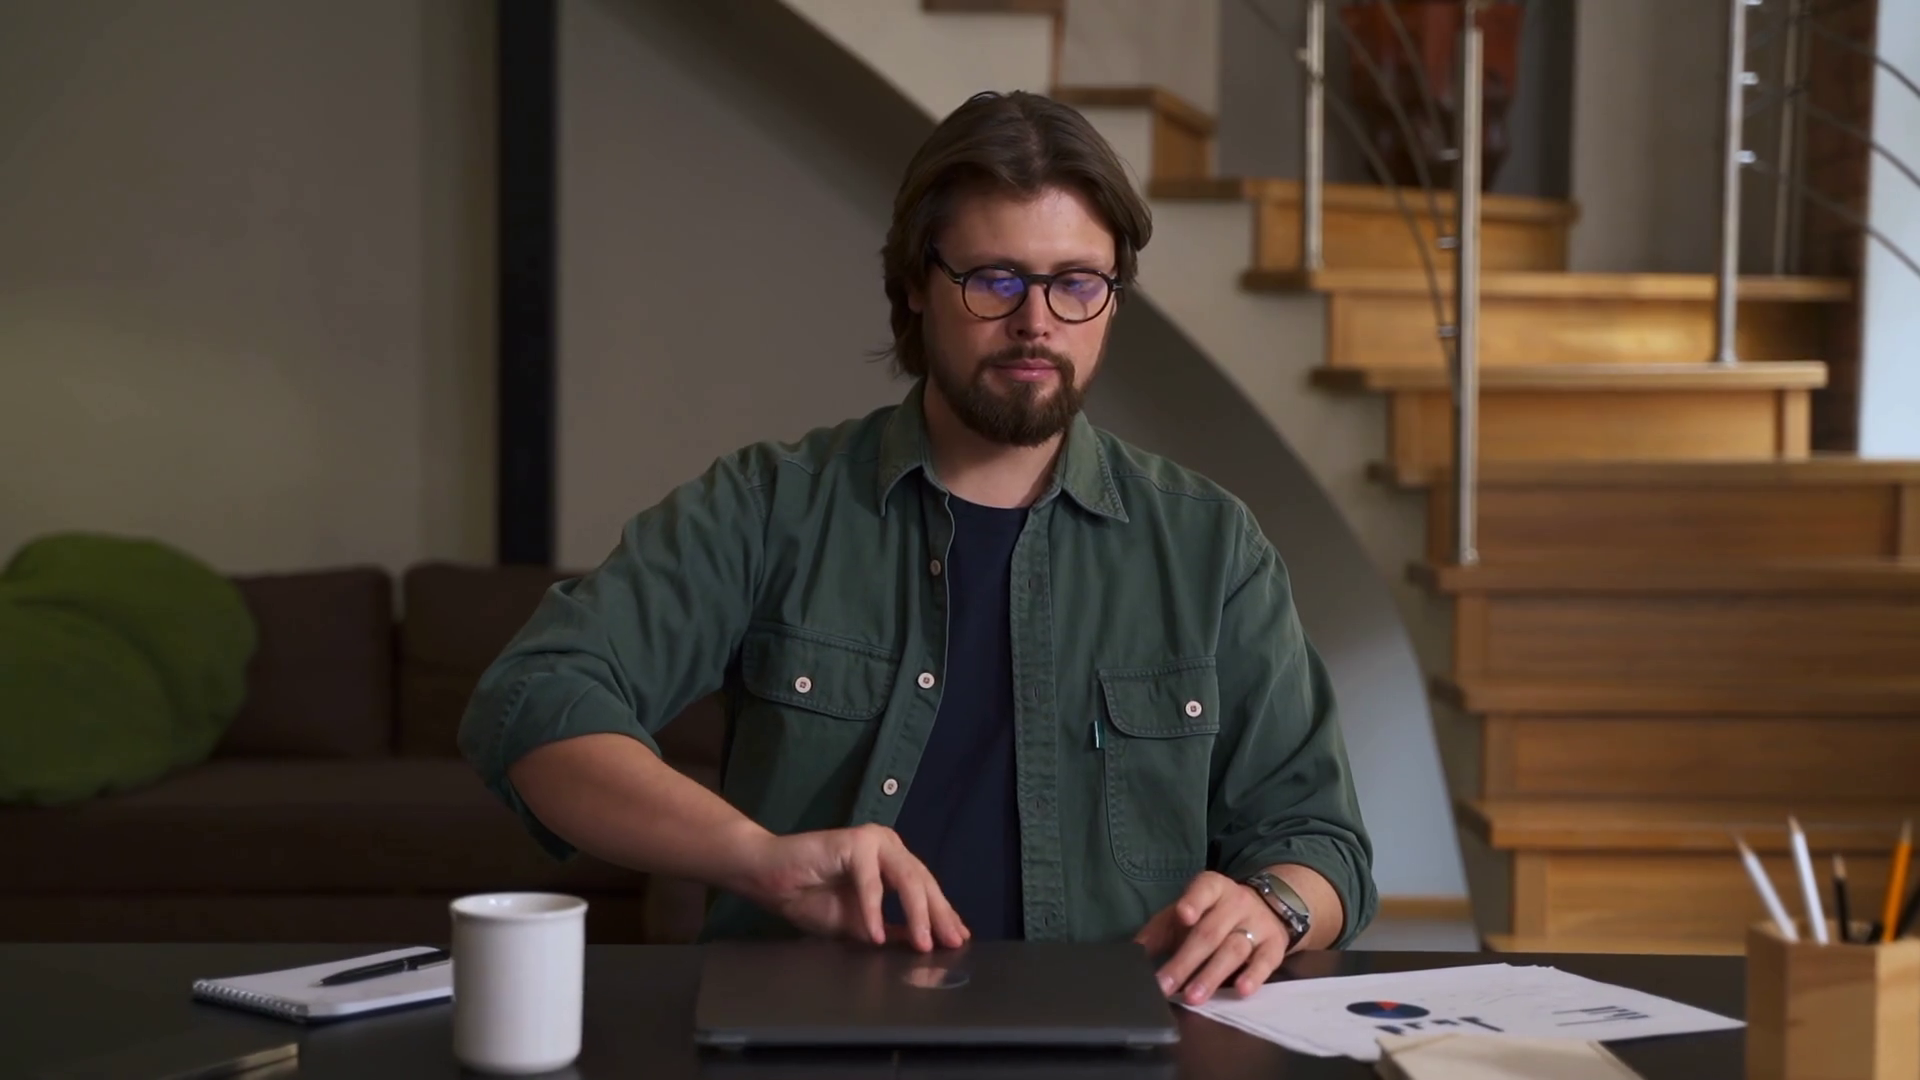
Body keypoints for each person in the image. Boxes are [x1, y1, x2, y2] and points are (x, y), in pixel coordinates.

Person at [459, 89, 1376, 1007]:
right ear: (913, 284)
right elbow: (534, 700)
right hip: (810, 1037)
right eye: (995, 279)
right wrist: (757, 858)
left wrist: (1273, 908)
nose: (1037, 321)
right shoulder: (769, 506)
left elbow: (1322, 843)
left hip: (1116, 1041)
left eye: (1077, 283)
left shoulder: (1210, 544)